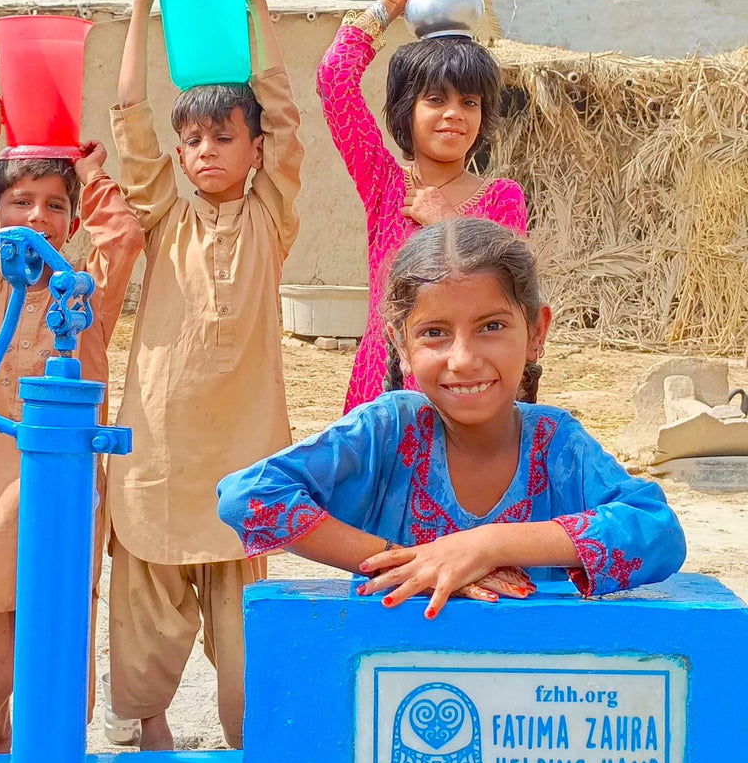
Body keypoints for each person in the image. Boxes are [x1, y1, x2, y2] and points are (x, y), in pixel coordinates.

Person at [217, 219, 685, 612]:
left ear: (537, 330)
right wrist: (415, 564)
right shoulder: (389, 430)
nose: (462, 359)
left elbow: (658, 531)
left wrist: (484, 546)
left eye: (492, 327)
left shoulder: (555, 443)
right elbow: (248, 496)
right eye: (435, 332)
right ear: (401, 345)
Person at [108, 0, 303, 751]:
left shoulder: (271, 218)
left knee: (246, 682)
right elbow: (128, 113)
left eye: (225, 136)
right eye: (191, 140)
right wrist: (138, 8)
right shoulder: (164, 218)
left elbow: (285, 108)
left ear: (256, 150)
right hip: (156, 461)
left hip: (241, 467)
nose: (205, 151)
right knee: (142, 662)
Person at [0, 81, 144, 752]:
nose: (39, 217)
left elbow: (126, 235)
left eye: (55, 207)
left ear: (71, 226)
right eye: (21, 203)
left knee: (59, 632)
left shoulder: (87, 292)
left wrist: (92, 172)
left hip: (65, 494)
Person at [317, 0, 529, 411]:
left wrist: (450, 226)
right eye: (436, 99)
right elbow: (334, 80)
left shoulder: (502, 198)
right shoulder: (384, 183)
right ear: (404, 110)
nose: (454, 113)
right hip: (382, 390)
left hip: (465, 392)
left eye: (469, 102)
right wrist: (388, 7)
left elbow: (511, 292)